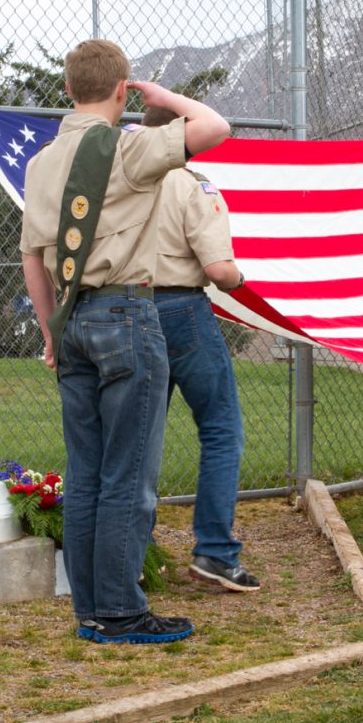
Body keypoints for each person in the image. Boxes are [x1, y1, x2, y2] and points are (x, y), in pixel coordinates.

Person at [21, 40, 230, 644]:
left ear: (67, 89)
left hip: (72, 319)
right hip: (127, 315)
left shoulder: (41, 163)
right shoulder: (130, 146)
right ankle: (119, 612)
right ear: (121, 90)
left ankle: (90, 607)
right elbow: (214, 126)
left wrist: (50, 330)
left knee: (85, 475)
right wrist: (159, 97)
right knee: (128, 474)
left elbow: (34, 260)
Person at [141, 105, 259, 593]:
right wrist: (243, 279)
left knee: (136, 438)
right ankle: (214, 550)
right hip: (182, 310)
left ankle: (131, 553)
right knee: (221, 430)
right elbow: (218, 270)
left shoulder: (116, 178)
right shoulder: (191, 185)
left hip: (127, 309)